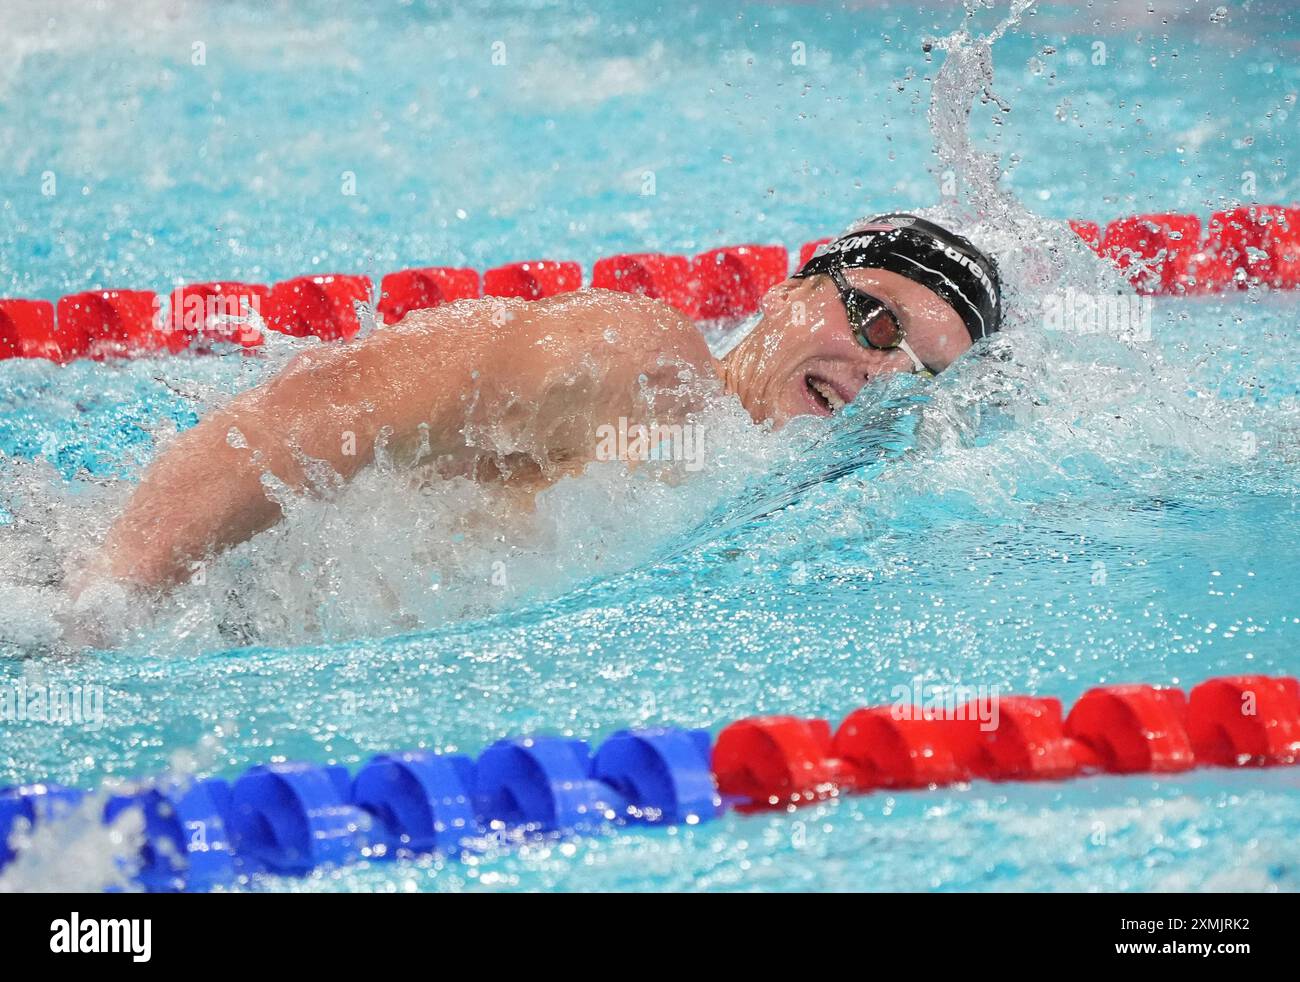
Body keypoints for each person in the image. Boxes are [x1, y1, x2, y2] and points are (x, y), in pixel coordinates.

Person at [83, 213, 1001, 592]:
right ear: (791, 292)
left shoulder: (779, 508)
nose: (882, 373)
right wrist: (114, 589)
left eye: (922, 373)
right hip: (143, 593)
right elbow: (324, 409)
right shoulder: (645, 363)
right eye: (878, 323)